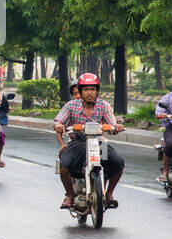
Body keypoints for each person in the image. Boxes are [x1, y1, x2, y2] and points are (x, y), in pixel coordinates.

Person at [53, 73, 125, 210]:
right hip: (78, 143)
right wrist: (58, 125)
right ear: (80, 91)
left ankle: (108, 193)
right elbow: (59, 121)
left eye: (93, 89)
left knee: (118, 162)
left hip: (99, 142)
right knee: (64, 165)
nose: (90, 93)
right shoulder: (71, 106)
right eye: (86, 90)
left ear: (97, 91)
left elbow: (112, 125)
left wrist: (116, 128)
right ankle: (69, 195)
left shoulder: (104, 106)